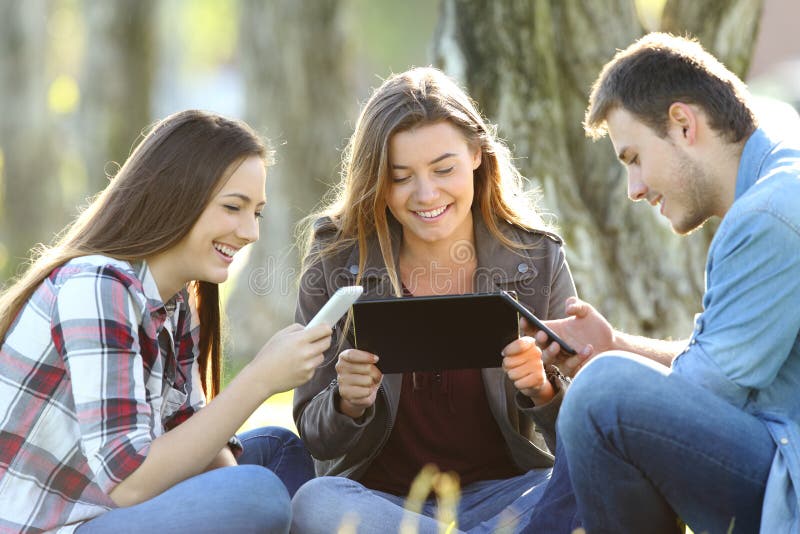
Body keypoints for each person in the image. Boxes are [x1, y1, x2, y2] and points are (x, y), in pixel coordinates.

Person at [0, 110, 332, 533]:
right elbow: (130, 480)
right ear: (176, 196)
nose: (250, 232)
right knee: (258, 493)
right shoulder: (98, 286)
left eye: (257, 213)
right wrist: (260, 380)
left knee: (279, 450)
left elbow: (190, 431)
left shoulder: (174, 302)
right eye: (234, 207)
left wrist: (230, 495)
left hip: (110, 510)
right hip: (58, 524)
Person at [290, 67, 583, 533]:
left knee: (588, 484)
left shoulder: (536, 258)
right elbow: (315, 434)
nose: (426, 195)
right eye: (401, 177)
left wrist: (541, 390)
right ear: (376, 180)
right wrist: (347, 402)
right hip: (381, 501)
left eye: (443, 169)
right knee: (316, 503)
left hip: (506, 495)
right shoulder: (336, 254)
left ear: (476, 155)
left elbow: (583, 432)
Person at [542, 33, 800, 533]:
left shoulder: (769, 214)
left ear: (683, 124)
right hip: (776, 454)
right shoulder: (780, 185)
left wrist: (614, 371)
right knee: (607, 377)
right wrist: (614, 345)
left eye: (634, 158)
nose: (634, 189)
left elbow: (708, 392)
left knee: (599, 395)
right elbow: (725, 363)